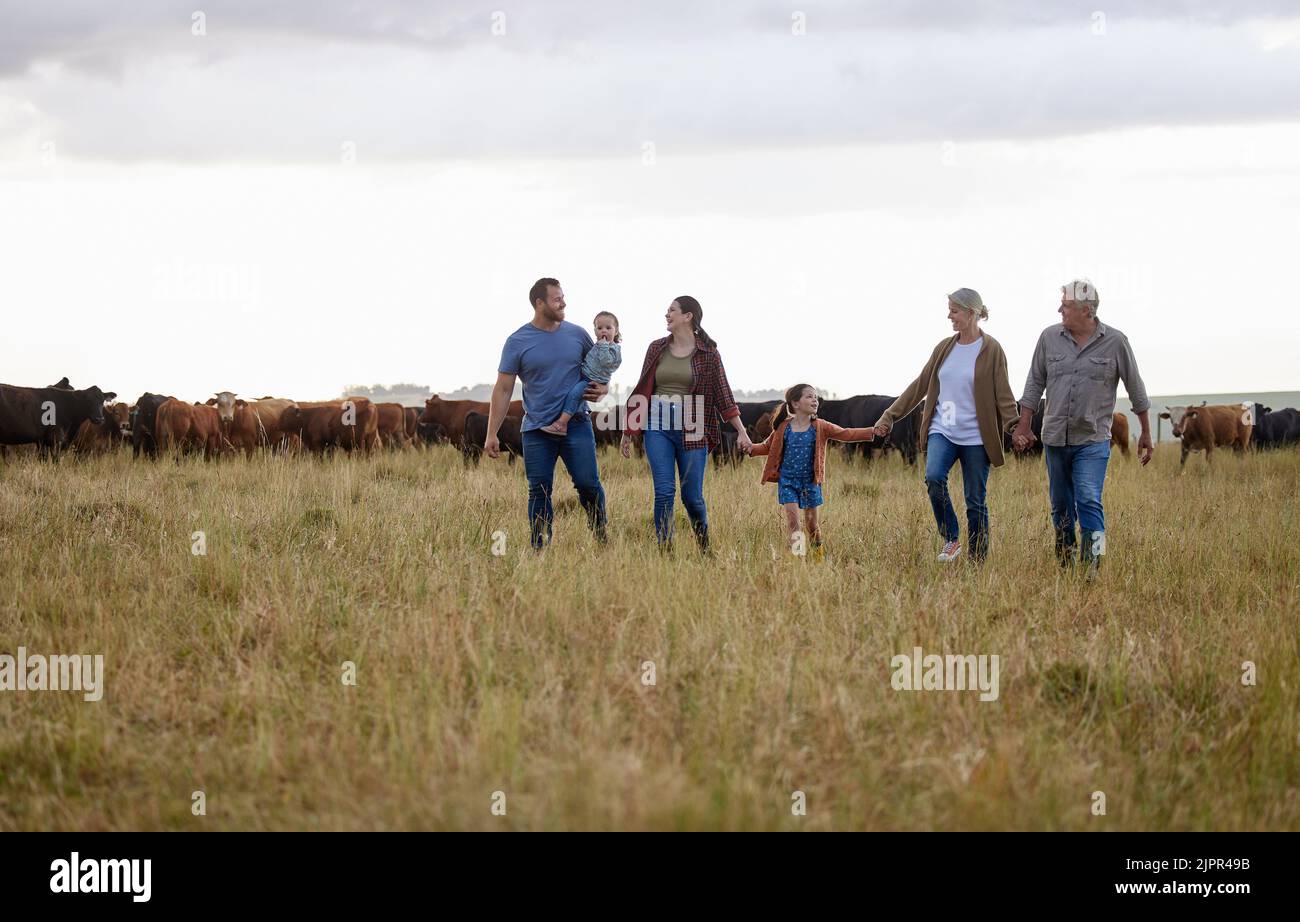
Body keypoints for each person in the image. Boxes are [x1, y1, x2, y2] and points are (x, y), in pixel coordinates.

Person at [1012, 279, 1153, 575]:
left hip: (1092, 439)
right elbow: (1034, 383)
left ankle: (1094, 564)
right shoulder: (1049, 337)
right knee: (1060, 507)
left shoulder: (1116, 342)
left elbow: (1136, 389)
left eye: (1066, 305)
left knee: (1089, 499)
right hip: (1054, 439)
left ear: (1087, 311)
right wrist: (1024, 425)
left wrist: (1146, 434)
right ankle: (1066, 562)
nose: (1059, 309)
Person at [873, 288, 1020, 563]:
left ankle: (977, 560)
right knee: (934, 477)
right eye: (949, 309)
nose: (949, 315)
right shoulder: (944, 348)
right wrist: (889, 415)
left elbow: (1003, 392)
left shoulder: (992, 349)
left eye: (954, 310)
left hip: (977, 437)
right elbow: (920, 385)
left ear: (972, 312)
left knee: (975, 501)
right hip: (943, 429)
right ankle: (951, 538)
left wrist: (1015, 426)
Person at [620, 296, 751, 551]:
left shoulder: (709, 353)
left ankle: (704, 547)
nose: (666, 314)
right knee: (665, 492)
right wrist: (629, 430)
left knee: (692, 497)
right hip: (656, 423)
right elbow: (643, 388)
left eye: (671, 310)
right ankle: (665, 551)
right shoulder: (656, 348)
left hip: (693, 424)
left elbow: (724, 394)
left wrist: (742, 432)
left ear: (688, 316)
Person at [487, 278, 608, 549]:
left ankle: (601, 537)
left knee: (588, 485)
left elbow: (601, 370)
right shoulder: (517, 341)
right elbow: (504, 389)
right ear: (539, 303)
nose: (563, 303)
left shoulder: (578, 335)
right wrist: (491, 433)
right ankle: (540, 547)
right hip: (536, 430)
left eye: (563, 297)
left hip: (576, 423)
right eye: (557, 299)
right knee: (539, 491)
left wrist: (604, 389)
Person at [749, 383, 876, 560]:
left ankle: (818, 557)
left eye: (815, 397)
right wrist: (750, 448)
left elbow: (846, 433)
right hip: (788, 482)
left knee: (812, 524)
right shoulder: (783, 427)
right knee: (793, 522)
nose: (814, 400)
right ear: (795, 403)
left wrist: (872, 431)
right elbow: (767, 447)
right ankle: (798, 557)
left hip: (810, 482)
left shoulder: (820, 426)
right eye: (809, 396)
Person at [540, 311, 622, 435]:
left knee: (575, 394)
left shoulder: (613, 349)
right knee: (568, 389)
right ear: (595, 331)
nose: (603, 331)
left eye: (608, 328)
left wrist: (604, 346)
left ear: (616, 331)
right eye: (599, 328)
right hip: (584, 374)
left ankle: (561, 424)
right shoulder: (597, 345)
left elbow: (607, 364)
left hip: (591, 380)